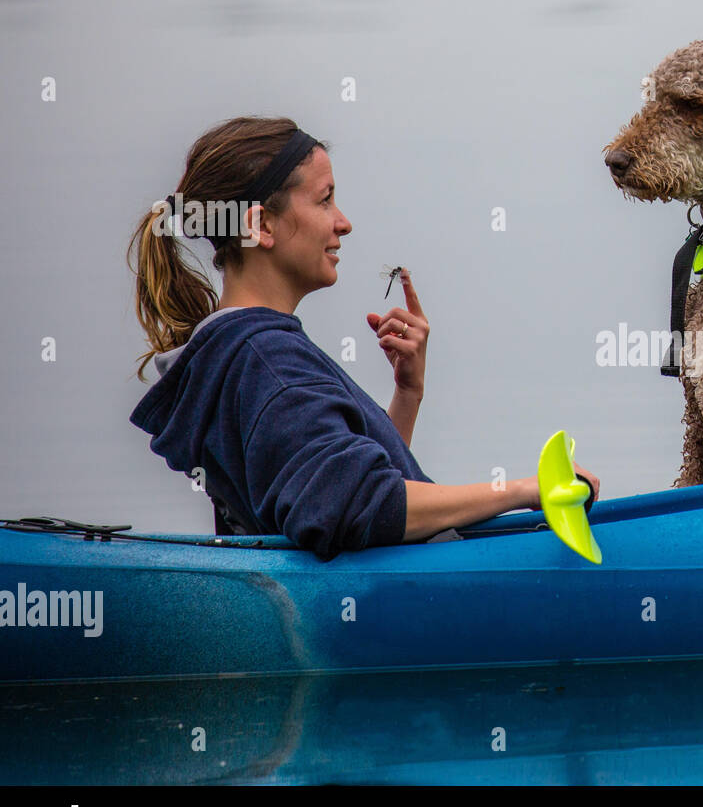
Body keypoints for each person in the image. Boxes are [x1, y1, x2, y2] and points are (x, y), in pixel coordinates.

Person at [128, 116, 597, 557]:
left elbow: (353, 497)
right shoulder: (266, 359)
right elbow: (350, 507)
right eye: (324, 199)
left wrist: (407, 395)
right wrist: (521, 491)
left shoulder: (238, 352)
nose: (343, 223)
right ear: (261, 225)